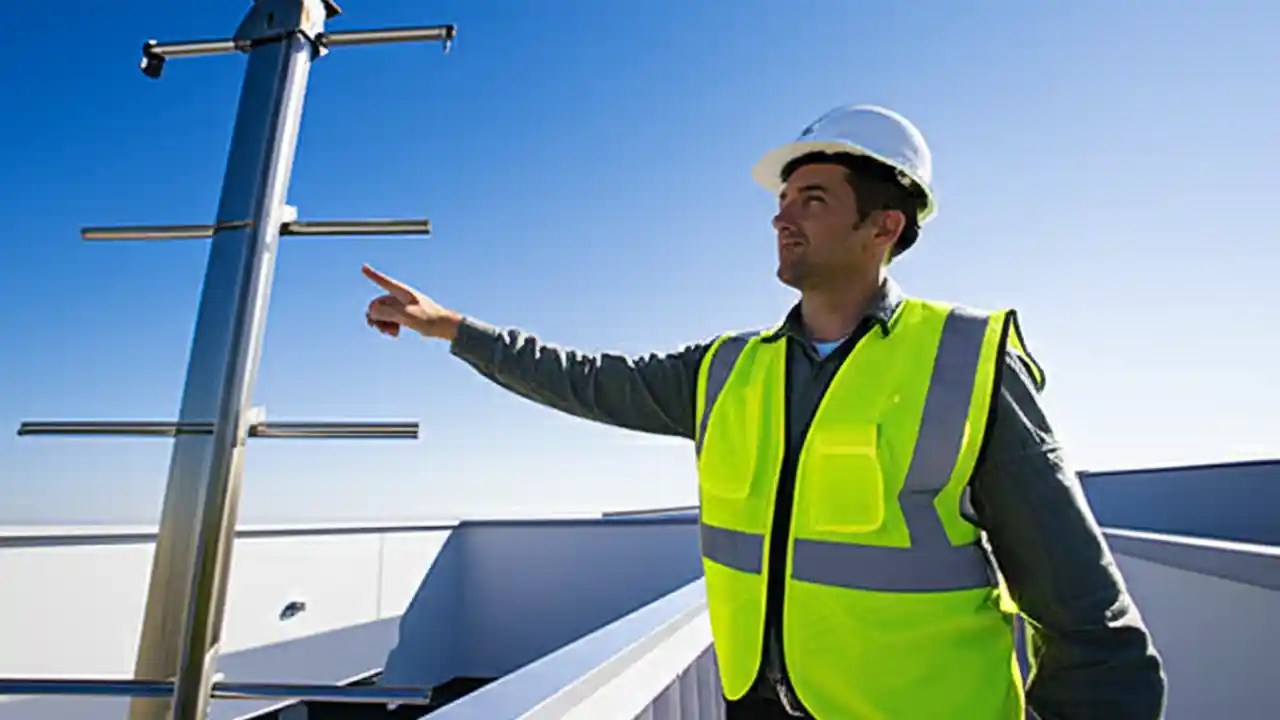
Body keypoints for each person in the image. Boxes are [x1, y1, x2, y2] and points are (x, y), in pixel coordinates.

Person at [362, 104, 1166, 719]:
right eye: (783, 199)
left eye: (811, 199)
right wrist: (453, 329)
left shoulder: (969, 363)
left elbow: (1091, 627)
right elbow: (583, 378)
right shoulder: (725, 370)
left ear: (883, 226)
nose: (781, 216)